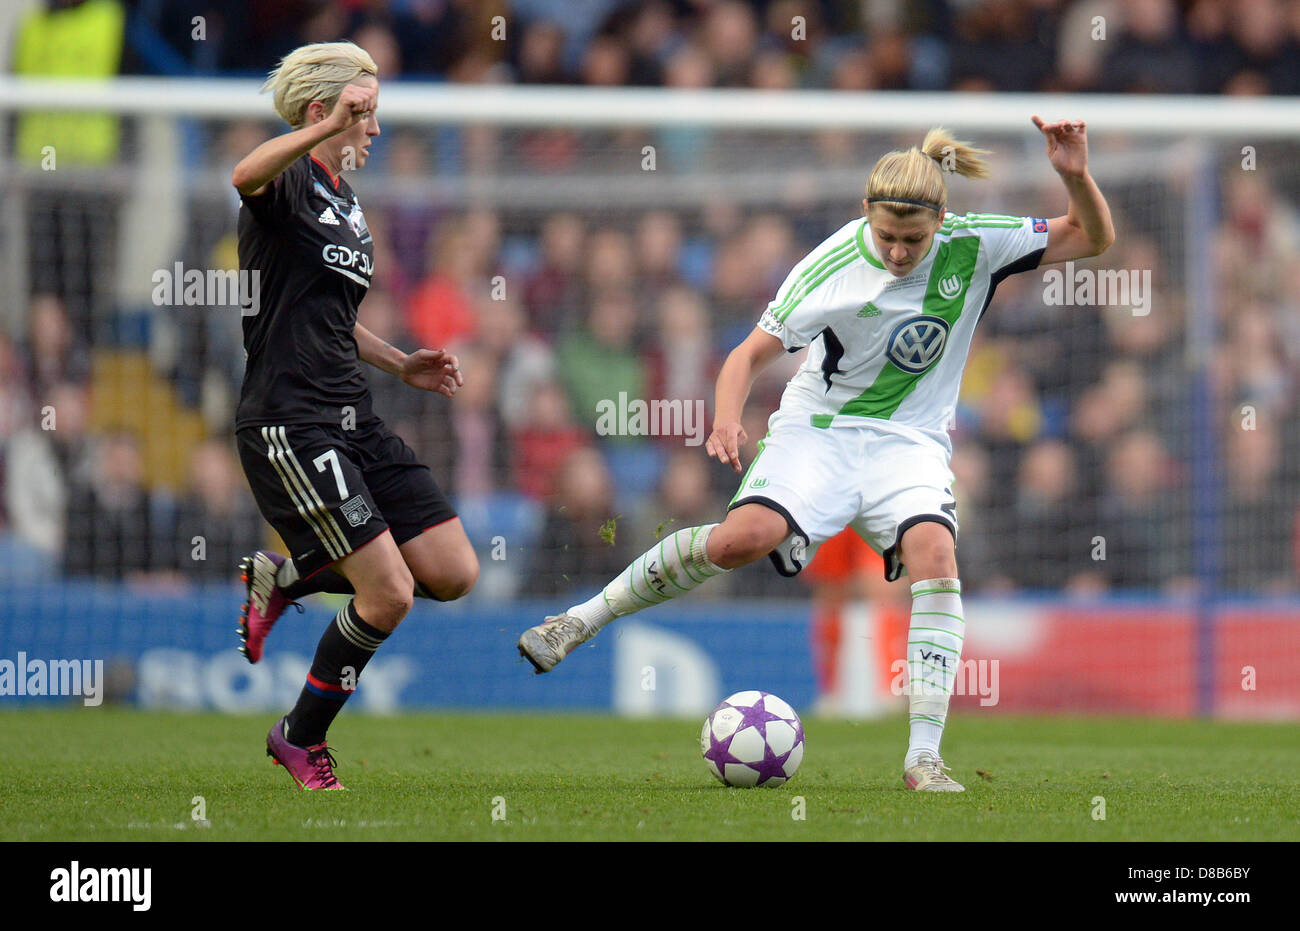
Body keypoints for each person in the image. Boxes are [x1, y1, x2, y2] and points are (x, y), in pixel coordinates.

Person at [519, 117, 1114, 792]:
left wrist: (1073, 175)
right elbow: (746, 354)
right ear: (865, 214)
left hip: (910, 442)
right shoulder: (831, 264)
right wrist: (724, 419)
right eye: (886, 236)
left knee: (938, 556)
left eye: (912, 240)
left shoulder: (976, 244)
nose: (896, 251)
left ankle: (924, 758)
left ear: (943, 220)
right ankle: (578, 619)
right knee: (742, 538)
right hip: (820, 431)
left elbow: (1091, 236)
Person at [230, 41, 478, 790]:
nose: (374, 130)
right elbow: (243, 174)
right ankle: (300, 738)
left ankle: (286, 579)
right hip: (291, 420)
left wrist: (400, 361)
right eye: (363, 114)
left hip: (352, 415)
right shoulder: (290, 183)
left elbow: (333, 316)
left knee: (453, 571)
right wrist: (320, 127)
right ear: (324, 112)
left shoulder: (345, 199)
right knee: (390, 591)